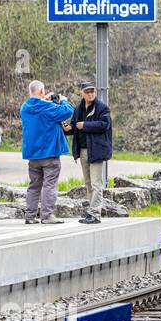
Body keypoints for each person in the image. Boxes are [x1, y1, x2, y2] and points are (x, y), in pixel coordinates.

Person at [20, 81, 76, 225]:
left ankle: (30, 216)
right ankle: (47, 216)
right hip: (49, 153)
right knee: (49, 184)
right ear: (42, 91)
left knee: (34, 185)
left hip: (33, 155)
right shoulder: (47, 107)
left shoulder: (24, 108)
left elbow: (39, 110)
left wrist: (44, 100)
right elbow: (68, 111)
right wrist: (63, 100)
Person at [66, 81, 112, 225]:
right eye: (88, 92)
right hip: (83, 151)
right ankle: (91, 212)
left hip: (97, 151)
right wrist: (68, 129)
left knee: (97, 184)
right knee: (88, 183)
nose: (91, 94)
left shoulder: (102, 108)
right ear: (82, 93)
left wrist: (85, 125)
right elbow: (75, 126)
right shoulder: (79, 108)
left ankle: (95, 214)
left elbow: (104, 125)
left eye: (93, 91)